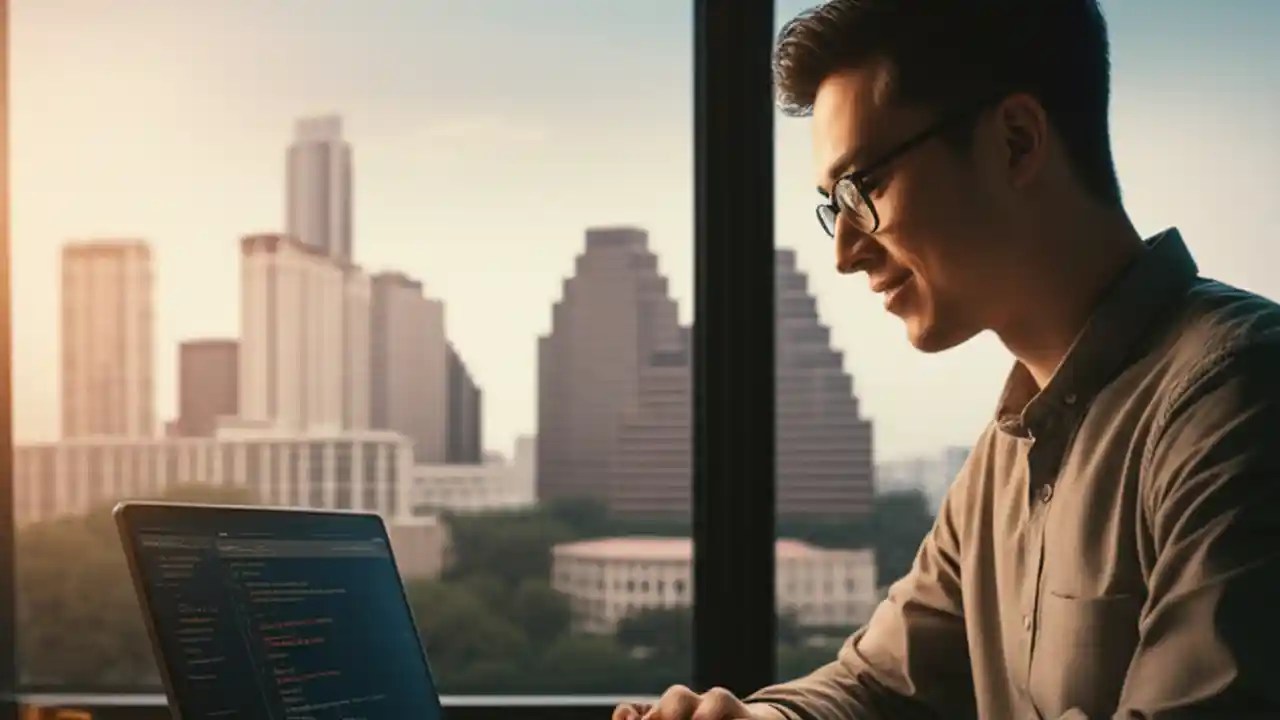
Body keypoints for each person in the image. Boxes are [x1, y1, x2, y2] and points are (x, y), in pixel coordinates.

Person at [614, 0, 1280, 718]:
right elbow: (878, 685)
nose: (844, 252)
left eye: (863, 187)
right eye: (831, 207)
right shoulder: (1007, 451)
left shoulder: (1237, 399)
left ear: (1017, 141)